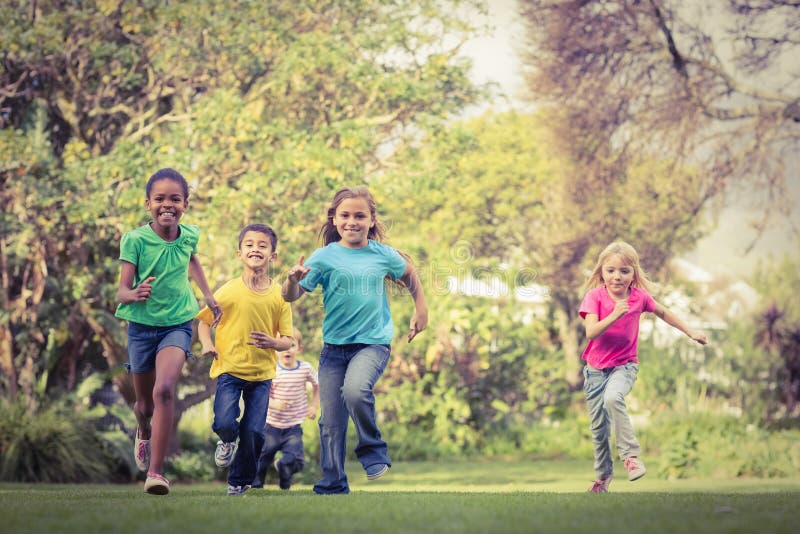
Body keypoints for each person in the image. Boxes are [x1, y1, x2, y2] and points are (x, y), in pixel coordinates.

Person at [283, 185, 428, 495]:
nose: (352, 221)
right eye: (345, 215)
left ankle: (373, 452)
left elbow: (411, 275)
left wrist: (422, 309)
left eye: (360, 216)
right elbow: (291, 297)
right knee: (331, 423)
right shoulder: (324, 257)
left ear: (371, 220)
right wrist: (291, 281)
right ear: (334, 219)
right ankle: (332, 484)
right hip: (334, 349)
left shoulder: (382, 254)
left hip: (373, 343)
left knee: (356, 390)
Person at [115, 167, 222, 495]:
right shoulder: (134, 240)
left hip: (178, 324)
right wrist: (134, 294)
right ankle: (143, 427)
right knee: (145, 404)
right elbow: (121, 290)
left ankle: (156, 473)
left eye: (175, 198)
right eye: (160, 198)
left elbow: (192, 260)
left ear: (185, 204)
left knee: (164, 391)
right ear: (148, 204)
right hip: (141, 329)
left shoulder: (189, 235)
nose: (168, 204)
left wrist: (207, 293)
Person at [580, 241, 708, 493]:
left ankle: (631, 457)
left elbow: (664, 312)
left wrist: (690, 331)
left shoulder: (639, 298)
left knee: (613, 397)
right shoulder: (594, 297)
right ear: (602, 272)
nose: (617, 276)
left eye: (624, 271)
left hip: (624, 366)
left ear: (634, 274)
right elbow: (591, 332)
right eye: (611, 270)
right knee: (599, 430)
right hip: (595, 370)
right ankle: (602, 480)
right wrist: (615, 314)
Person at [196, 223, 294, 496]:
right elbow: (204, 322)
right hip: (230, 368)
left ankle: (239, 481)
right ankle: (226, 441)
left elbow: (288, 339)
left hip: (262, 374)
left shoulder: (280, 295)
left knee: (253, 433)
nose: (255, 249)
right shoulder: (228, 290)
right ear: (239, 253)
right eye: (249, 244)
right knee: (226, 422)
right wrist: (207, 344)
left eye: (262, 245)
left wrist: (273, 343)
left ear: (273, 256)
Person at [252, 327, 319, 490]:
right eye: (283, 346)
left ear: (299, 348)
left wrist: (314, 405)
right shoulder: (272, 368)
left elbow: (318, 385)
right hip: (271, 426)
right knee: (262, 457)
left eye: (292, 345)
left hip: (293, 427)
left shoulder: (305, 368)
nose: (287, 350)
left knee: (297, 460)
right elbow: (261, 393)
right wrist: (274, 403)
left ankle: (284, 472)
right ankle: (256, 483)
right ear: (275, 349)